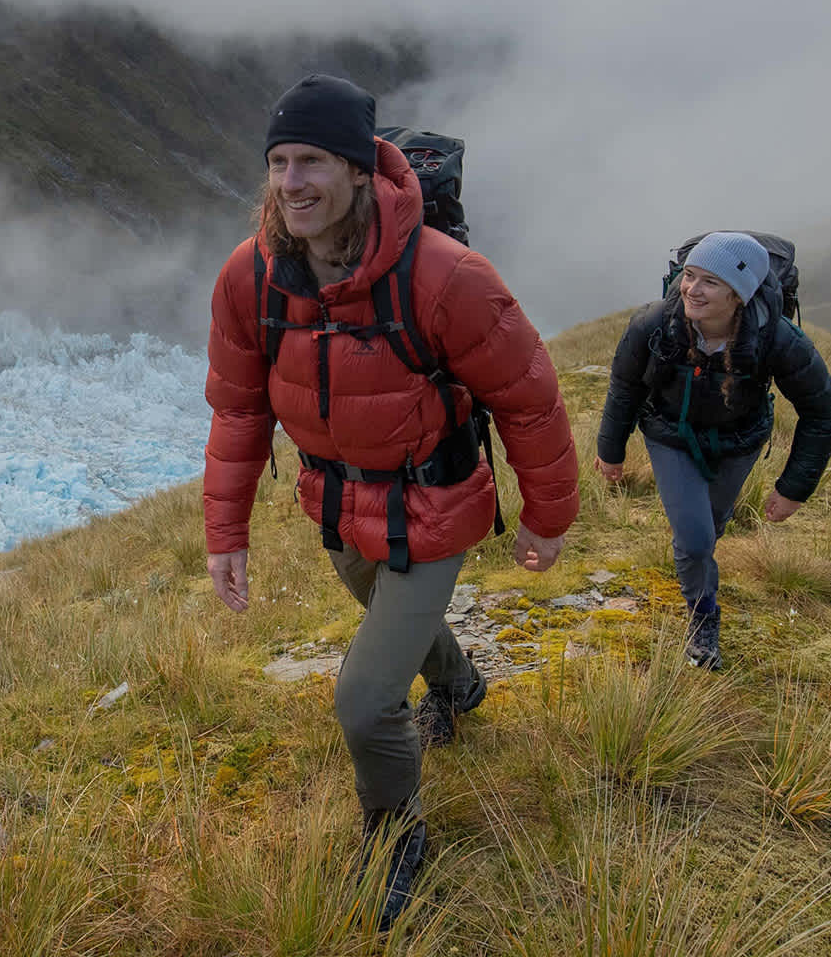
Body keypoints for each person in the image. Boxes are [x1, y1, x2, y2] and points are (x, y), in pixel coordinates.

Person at [203, 74, 579, 929]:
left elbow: (529, 397)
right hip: (336, 509)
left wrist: (547, 516)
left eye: (313, 162)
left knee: (367, 698)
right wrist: (226, 530)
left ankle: (395, 832)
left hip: (434, 507)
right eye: (278, 162)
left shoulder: (445, 278)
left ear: (360, 170)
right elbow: (239, 406)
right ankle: (462, 686)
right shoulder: (251, 276)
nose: (291, 182)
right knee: (388, 616)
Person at [595, 232, 831, 670]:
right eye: (689, 276)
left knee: (710, 526)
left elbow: (823, 412)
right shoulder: (654, 323)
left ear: (739, 294)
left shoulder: (777, 340)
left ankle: (699, 568)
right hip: (670, 434)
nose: (692, 289)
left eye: (710, 281)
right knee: (694, 539)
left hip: (740, 441)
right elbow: (625, 386)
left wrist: (793, 489)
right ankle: (703, 617)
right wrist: (611, 450)